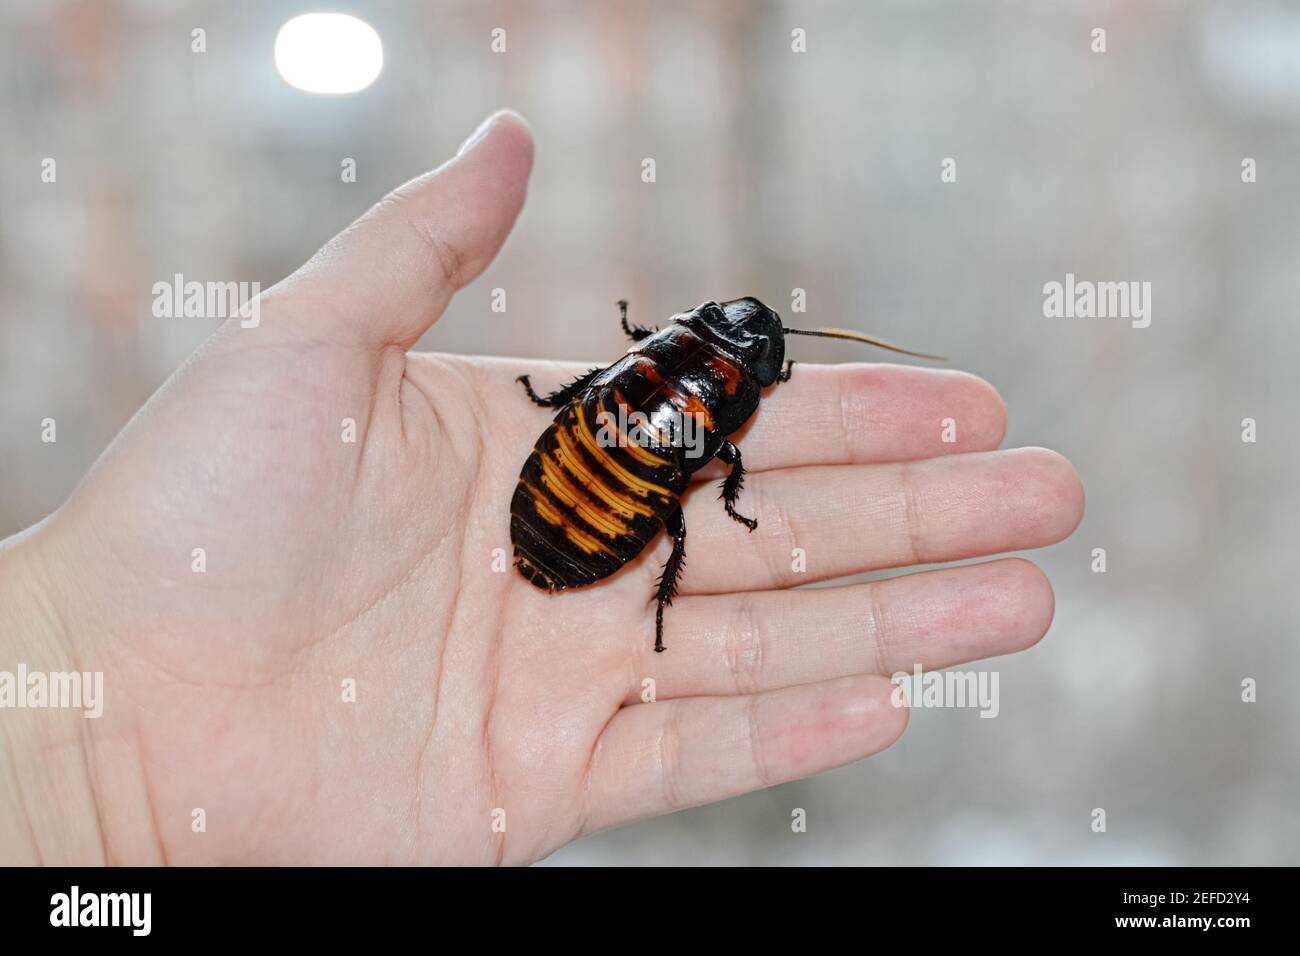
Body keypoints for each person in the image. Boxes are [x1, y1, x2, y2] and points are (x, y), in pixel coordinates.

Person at [0, 111, 1083, 865]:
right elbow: (710, 459)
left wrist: (81, 775)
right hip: (599, 486)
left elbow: (609, 396)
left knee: (660, 496)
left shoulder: (659, 371)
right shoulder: (721, 415)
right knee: (671, 510)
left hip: (582, 458)